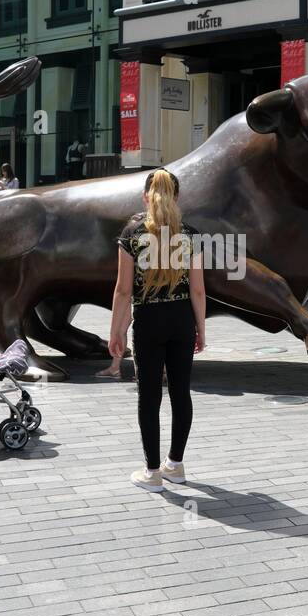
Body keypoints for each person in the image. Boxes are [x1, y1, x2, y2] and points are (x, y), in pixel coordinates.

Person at [108, 169, 205, 492]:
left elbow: (123, 291)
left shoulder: (133, 233)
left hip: (148, 320)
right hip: (182, 321)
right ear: (177, 197)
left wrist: (116, 332)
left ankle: (152, 473)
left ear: (146, 197)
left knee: (149, 396)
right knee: (181, 393)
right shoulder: (190, 235)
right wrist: (200, 330)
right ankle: (175, 466)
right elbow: (198, 291)